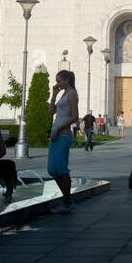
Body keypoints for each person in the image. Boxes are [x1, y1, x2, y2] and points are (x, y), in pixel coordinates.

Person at [47, 69, 79, 213]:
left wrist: (58, 129)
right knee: (52, 169)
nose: (57, 83)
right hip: (55, 134)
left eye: (59, 81)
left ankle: (66, 201)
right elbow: (50, 112)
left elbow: (74, 117)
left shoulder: (72, 93)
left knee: (61, 168)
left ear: (67, 80)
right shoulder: (62, 95)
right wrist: (53, 95)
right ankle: (67, 199)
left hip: (63, 135)